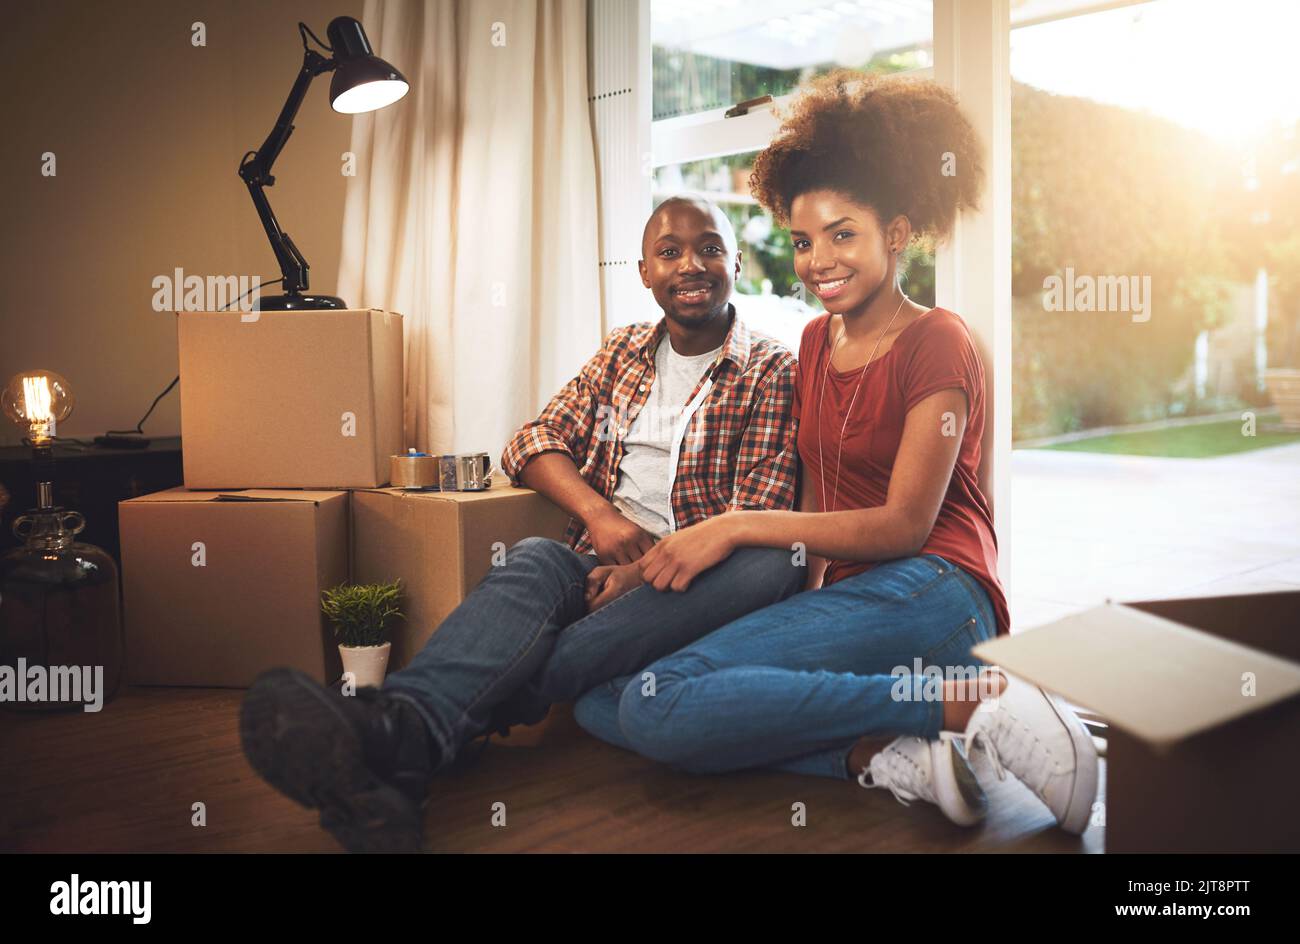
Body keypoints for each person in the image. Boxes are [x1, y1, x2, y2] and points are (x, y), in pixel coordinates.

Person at [572, 71, 1100, 834]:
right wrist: (784, 599)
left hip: (936, 591)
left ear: (897, 232)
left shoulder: (937, 340)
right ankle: (882, 754)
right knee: (608, 693)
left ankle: (973, 697)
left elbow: (902, 528)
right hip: (850, 602)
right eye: (801, 240)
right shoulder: (816, 340)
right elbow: (819, 501)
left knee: (664, 701)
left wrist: (734, 525)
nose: (817, 260)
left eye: (842, 233)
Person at [239, 195, 806, 852]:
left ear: (735, 260)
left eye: (709, 247)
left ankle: (406, 730)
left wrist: (640, 573)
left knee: (768, 563)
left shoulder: (771, 368)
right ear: (645, 272)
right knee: (534, 555)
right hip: (598, 559)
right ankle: (400, 749)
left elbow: (752, 515)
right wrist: (599, 517)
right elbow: (530, 440)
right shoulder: (622, 351)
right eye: (670, 251)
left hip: (700, 576)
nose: (692, 265)